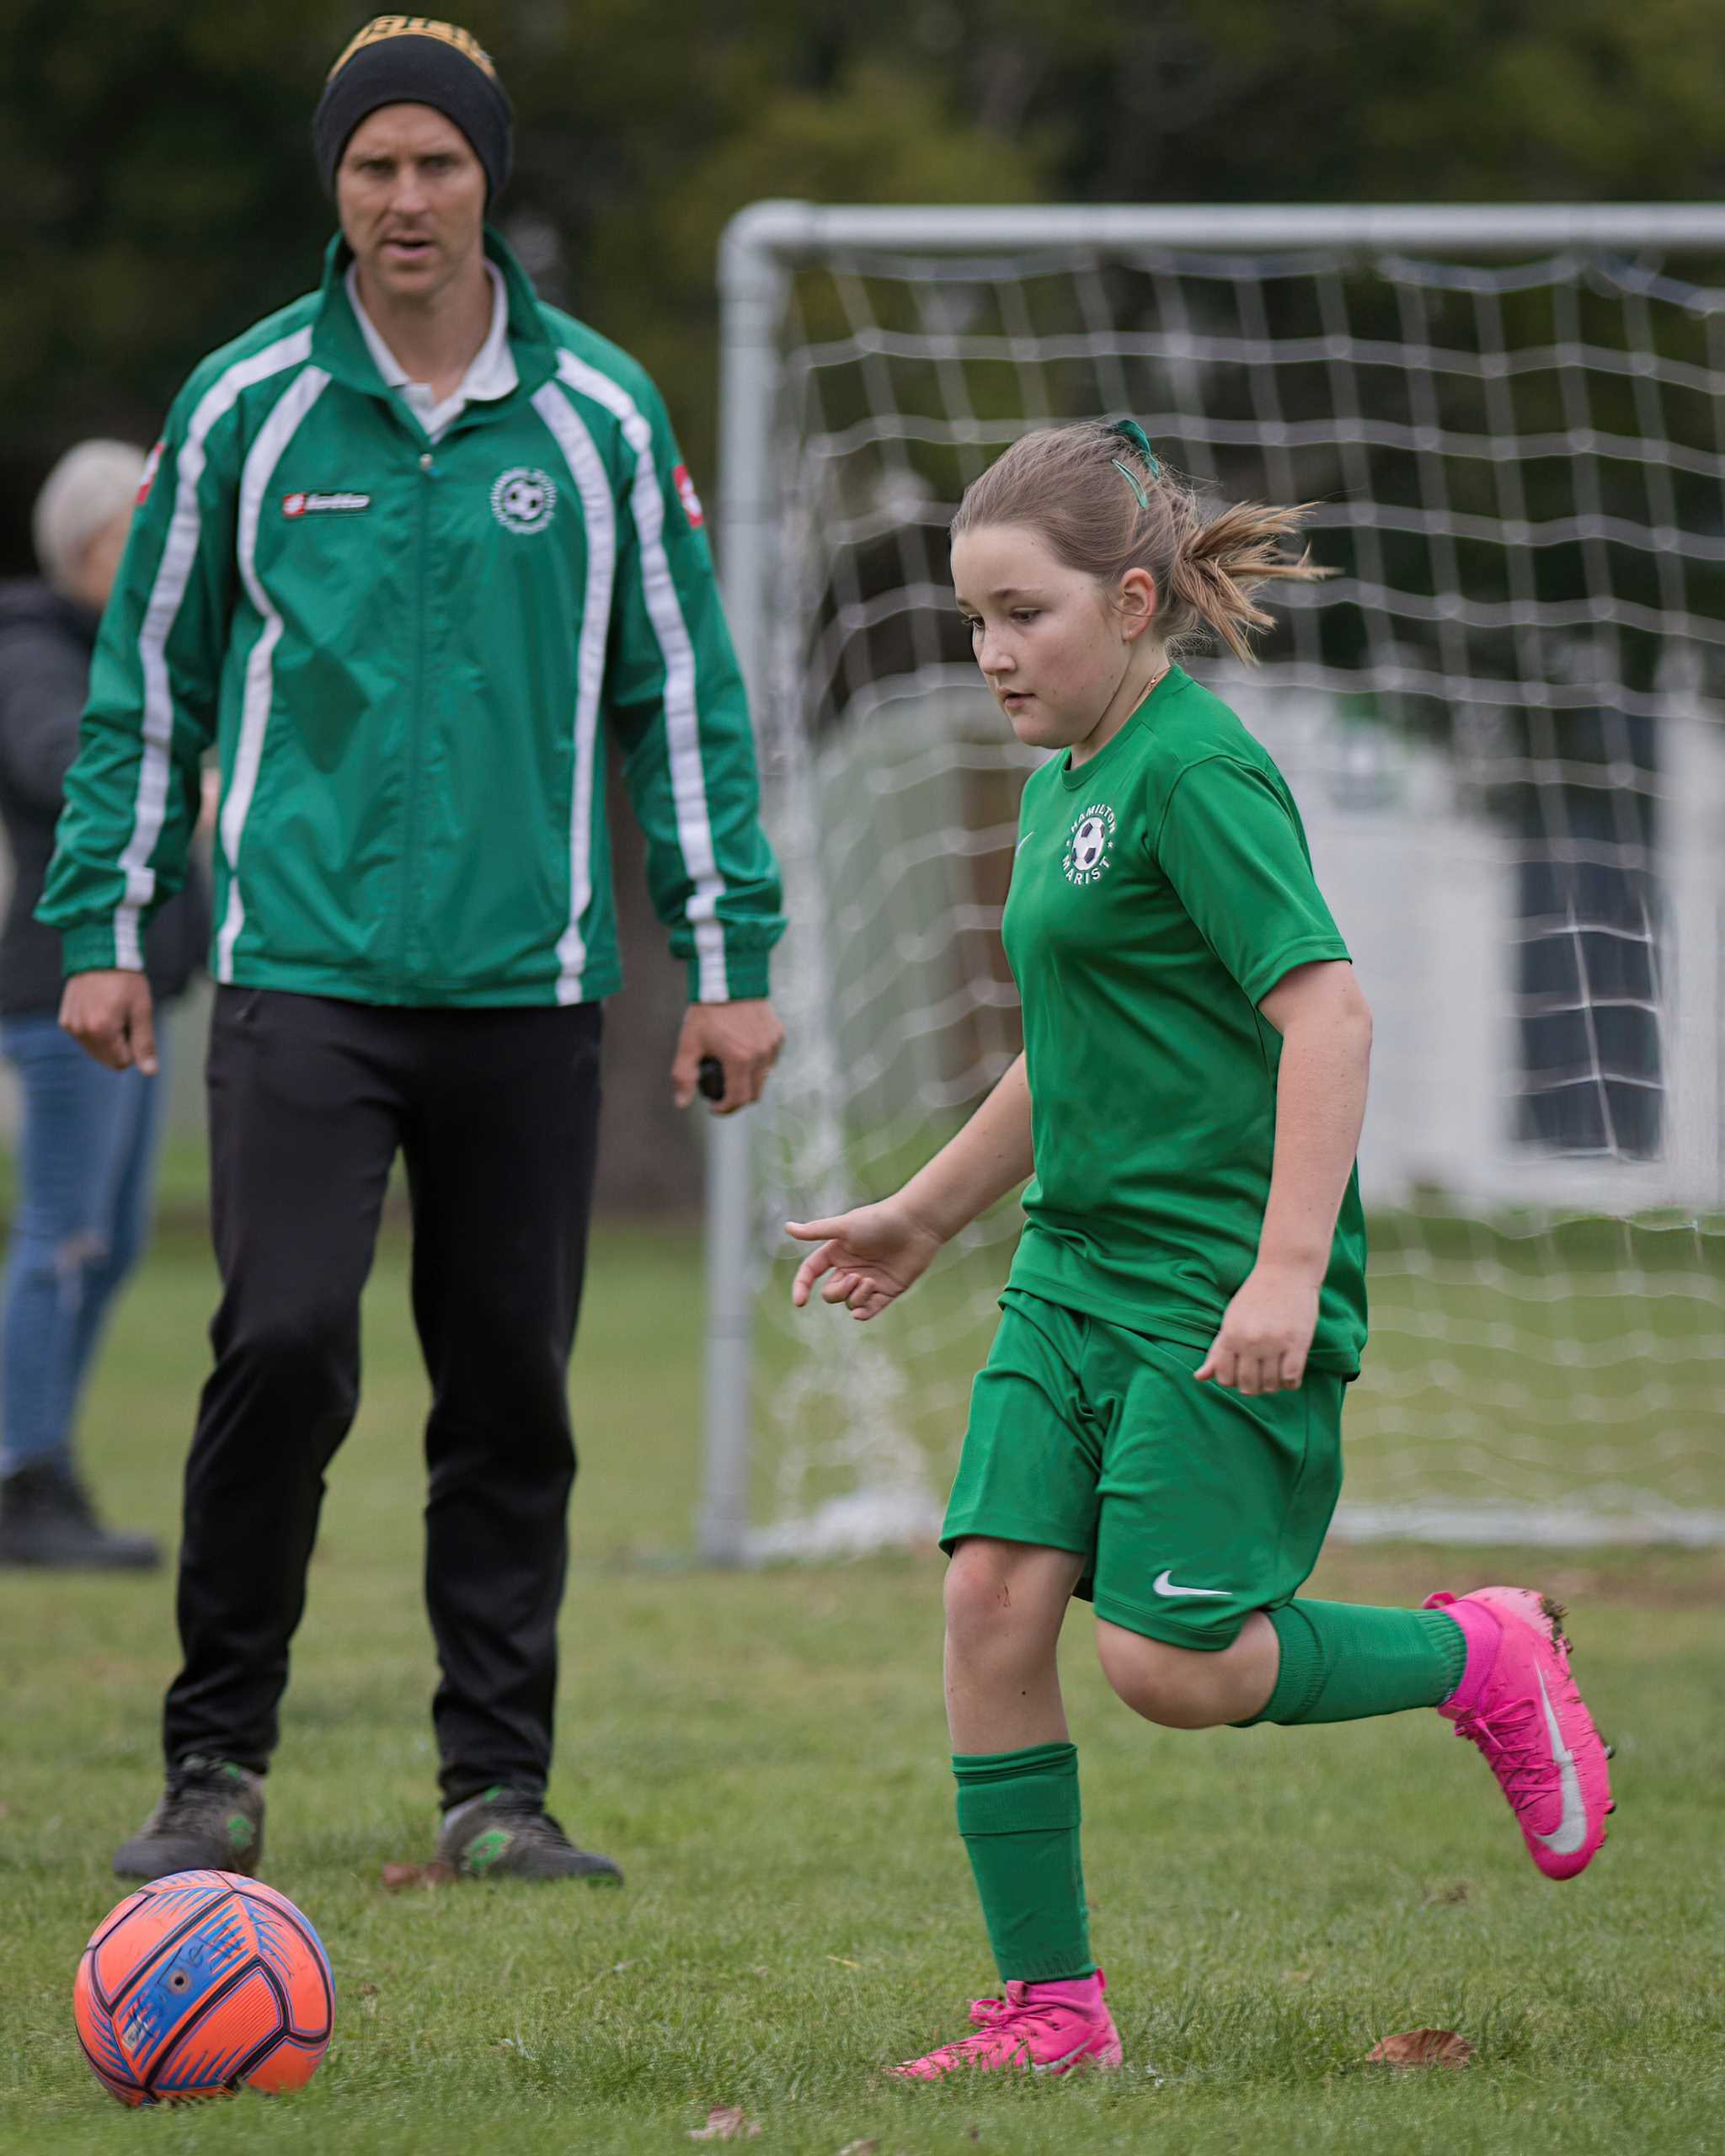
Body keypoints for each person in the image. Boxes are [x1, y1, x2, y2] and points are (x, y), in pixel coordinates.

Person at [41, 16, 784, 1885]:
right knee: (281, 1345)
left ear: (486, 179)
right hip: (301, 976)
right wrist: (109, 925)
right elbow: (149, 682)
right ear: (336, 189)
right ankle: (212, 1764)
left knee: (510, 1387)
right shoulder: (245, 408)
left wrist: (727, 948)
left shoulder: (603, 418)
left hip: (528, 993)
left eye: (436, 162)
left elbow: (680, 699)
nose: (405, 197)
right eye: (372, 165)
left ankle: (496, 1790)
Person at [787, 419, 1613, 2079]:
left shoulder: (1198, 768)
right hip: (1070, 1270)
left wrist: (1286, 1269)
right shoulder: (1062, 790)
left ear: (1136, 599)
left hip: (1206, 1281)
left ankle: (1485, 1651)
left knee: (1168, 1663)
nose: (990, 651)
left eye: (1023, 612)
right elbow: (1065, 1046)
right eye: (972, 618)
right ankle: (1052, 2014)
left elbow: (1328, 1013)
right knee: (991, 1602)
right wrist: (927, 1210)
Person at [0, 443, 211, 1570]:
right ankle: (19, 1478)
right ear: (89, 546)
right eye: (141, 532)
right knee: (64, 1237)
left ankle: (42, 1465)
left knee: (109, 1240)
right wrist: (177, 770)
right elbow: (55, 757)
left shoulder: (132, 652)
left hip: (140, 991)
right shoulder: (35, 652)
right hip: (69, 989)